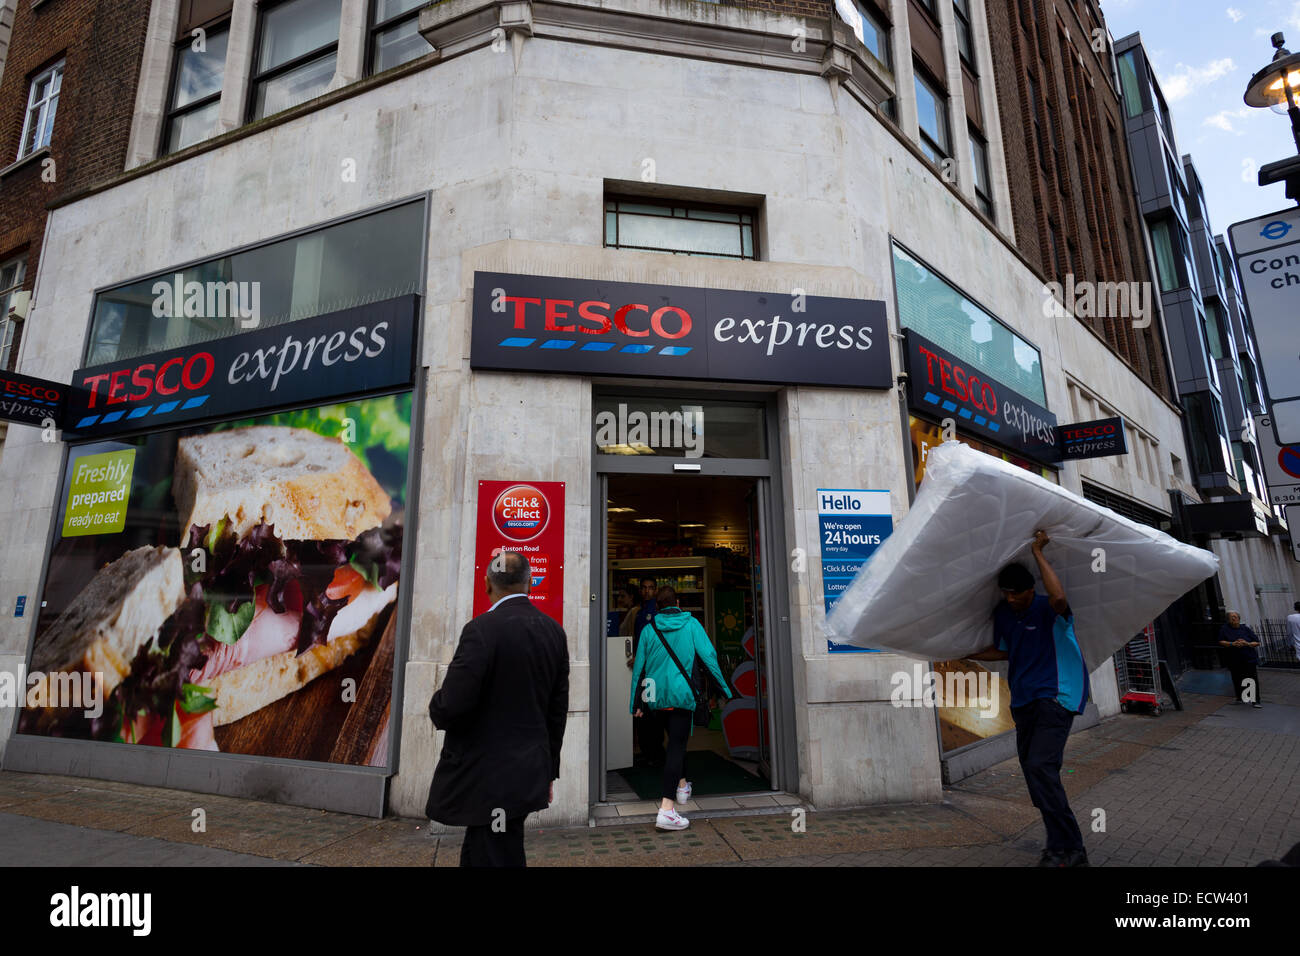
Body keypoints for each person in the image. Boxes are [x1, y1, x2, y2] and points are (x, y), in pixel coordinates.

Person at [425, 550, 569, 867]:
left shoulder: (481, 630)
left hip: (487, 775)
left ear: (487, 584)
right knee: (487, 849)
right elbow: (557, 712)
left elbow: (451, 704)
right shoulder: (554, 632)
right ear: (529, 582)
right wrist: (549, 770)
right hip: (528, 770)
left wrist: (435, 704)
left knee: (495, 853)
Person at [965, 530, 1090, 868]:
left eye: (1016, 593)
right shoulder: (1004, 614)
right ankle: (1063, 848)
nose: (1010, 599)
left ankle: (1068, 849)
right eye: (1006, 593)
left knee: (1040, 767)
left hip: (1056, 695)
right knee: (1037, 776)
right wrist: (962, 653)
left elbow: (1059, 596)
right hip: (1022, 700)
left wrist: (1037, 552)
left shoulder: (1049, 608)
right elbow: (1003, 651)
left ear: (1030, 590)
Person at [629, 586, 733, 831]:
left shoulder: (649, 629)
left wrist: (636, 702)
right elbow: (709, 657)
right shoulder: (691, 625)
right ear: (677, 603)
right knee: (676, 746)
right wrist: (724, 690)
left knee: (675, 743)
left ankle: (683, 786)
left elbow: (640, 667)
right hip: (682, 696)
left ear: (657, 607)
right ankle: (666, 809)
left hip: (655, 697)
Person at [623, 577, 664, 767]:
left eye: (651, 588)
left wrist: (641, 658)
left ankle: (655, 752)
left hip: (652, 670)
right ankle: (647, 751)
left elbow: (656, 642)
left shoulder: (656, 611)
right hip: (641, 670)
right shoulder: (639, 612)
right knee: (642, 712)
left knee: (652, 713)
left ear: (656, 590)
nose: (647, 591)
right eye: (644, 588)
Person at [1218, 610, 1263, 707]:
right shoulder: (1224, 629)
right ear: (1228, 619)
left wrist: (1247, 643)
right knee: (1237, 678)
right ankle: (1241, 698)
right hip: (1234, 659)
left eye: (1235, 617)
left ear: (1239, 618)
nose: (1234, 618)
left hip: (1248, 658)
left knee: (1251, 679)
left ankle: (1255, 700)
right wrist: (1232, 643)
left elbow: (1257, 642)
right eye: (1231, 617)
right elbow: (1221, 641)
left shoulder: (1245, 629)